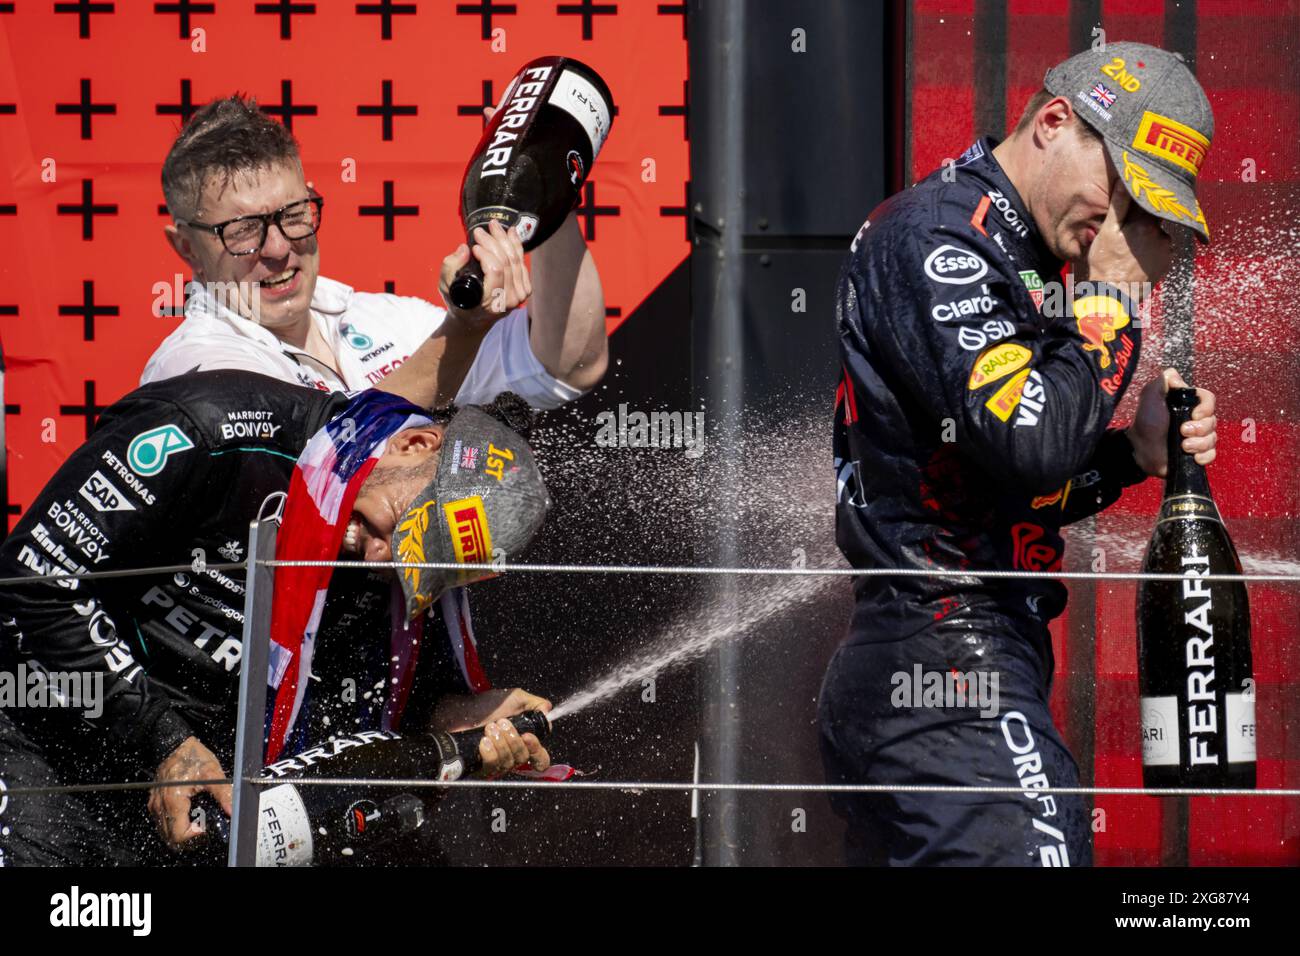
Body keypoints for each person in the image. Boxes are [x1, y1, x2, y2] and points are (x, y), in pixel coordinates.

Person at [820, 42, 1221, 866]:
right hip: (940, 660)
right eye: (1122, 196)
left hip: (961, 661)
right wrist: (1112, 298)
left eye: (1146, 217)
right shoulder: (938, 238)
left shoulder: (1020, 255)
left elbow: (1002, 487)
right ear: (1052, 123)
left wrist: (1129, 457)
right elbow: (1032, 442)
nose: (1120, 227)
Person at [0, 326, 555, 864]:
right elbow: (37, 577)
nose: (381, 559)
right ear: (413, 443)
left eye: (420, 567)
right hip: (50, 746)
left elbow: (395, 700)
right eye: (401, 530)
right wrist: (162, 738)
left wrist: (465, 713)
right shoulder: (209, 426)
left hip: (211, 793)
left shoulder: (392, 549)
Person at [144, 95, 608, 405]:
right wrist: (464, 330)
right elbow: (334, 464)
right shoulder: (195, 365)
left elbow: (565, 369)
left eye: (293, 214)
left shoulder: (377, 318)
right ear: (186, 246)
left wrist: (549, 199)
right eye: (243, 230)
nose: (279, 248)